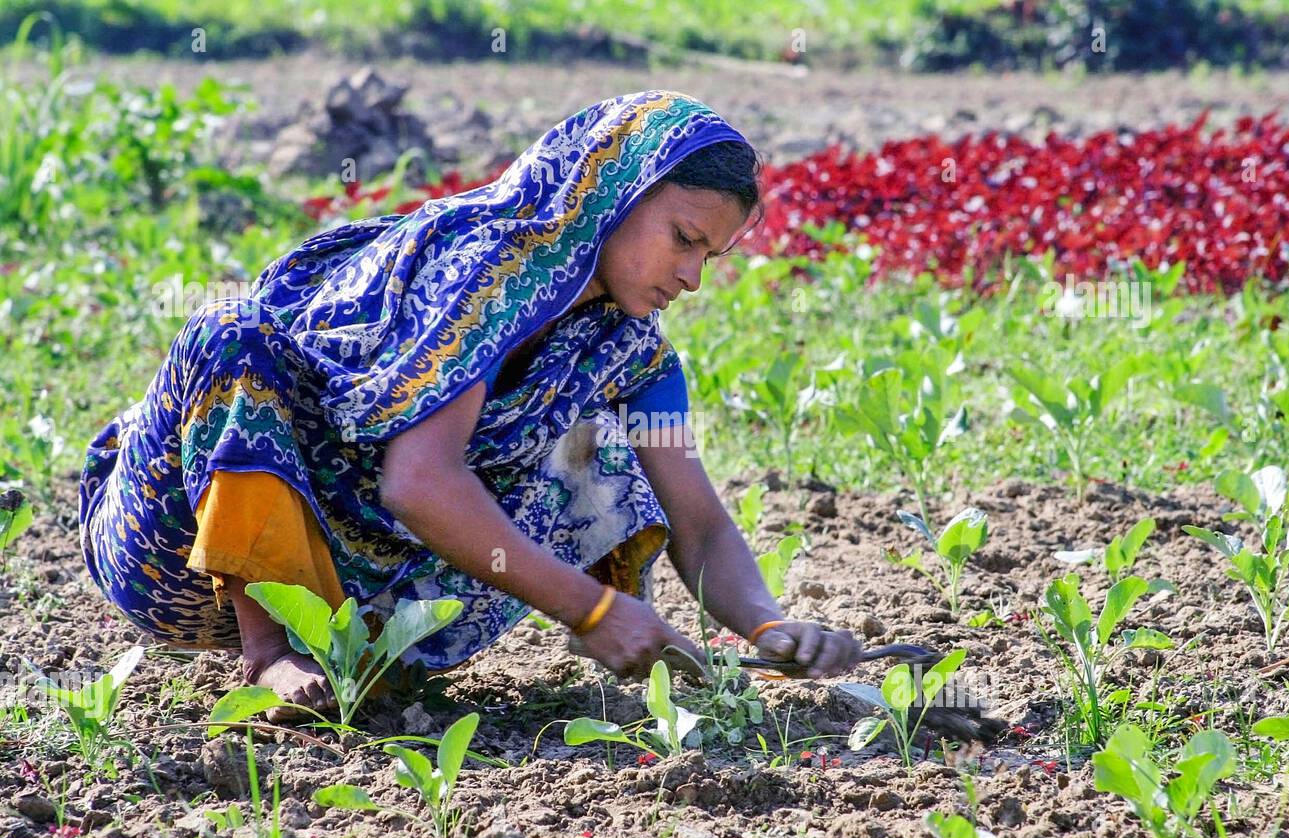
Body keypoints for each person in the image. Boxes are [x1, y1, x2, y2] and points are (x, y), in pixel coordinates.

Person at [78, 90, 863, 723]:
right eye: (684, 239)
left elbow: (701, 522)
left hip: (370, 580)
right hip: (174, 542)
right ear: (615, 194)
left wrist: (766, 623)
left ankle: (364, 658)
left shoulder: (628, 347)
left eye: (710, 258)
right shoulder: (481, 273)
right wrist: (590, 610)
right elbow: (416, 484)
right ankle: (269, 649)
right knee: (229, 333)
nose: (691, 277)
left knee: (596, 443)